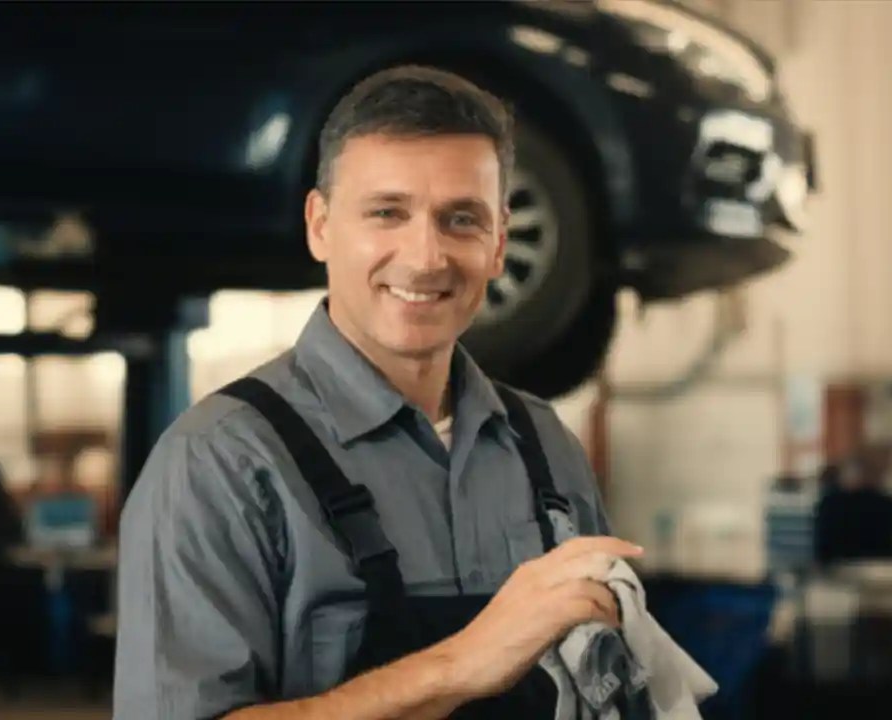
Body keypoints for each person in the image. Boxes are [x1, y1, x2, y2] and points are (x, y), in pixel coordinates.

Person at [113, 65, 642, 719]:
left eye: (461, 219)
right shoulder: (219, 464)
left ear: (500, 242)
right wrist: (458, 666)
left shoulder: (546, 450)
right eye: (387, 213)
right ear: (320, 225)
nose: (425, 257)